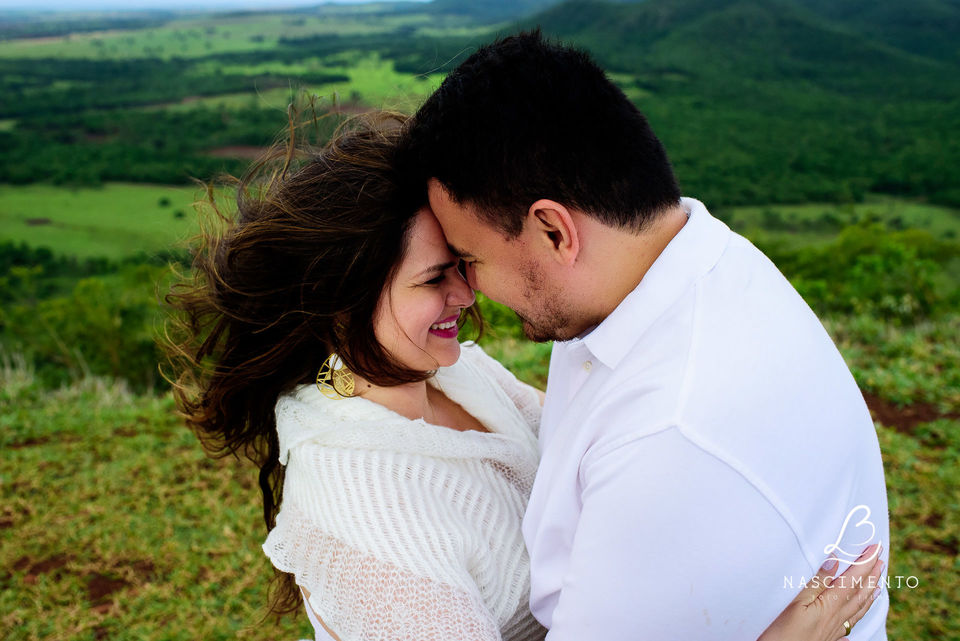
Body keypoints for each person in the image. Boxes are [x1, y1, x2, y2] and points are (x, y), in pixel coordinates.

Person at [163, 113, 882, 641]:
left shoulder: (456, 374)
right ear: (336, 303)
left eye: (463, 265)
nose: (467, 296)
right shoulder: (361, 510)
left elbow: (596, 455)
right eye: (435, 278)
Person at [400, 30, 891, 641]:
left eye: (470, 258)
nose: (470, 290)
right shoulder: (681, 264)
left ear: (554, 232)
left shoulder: (669, 438)